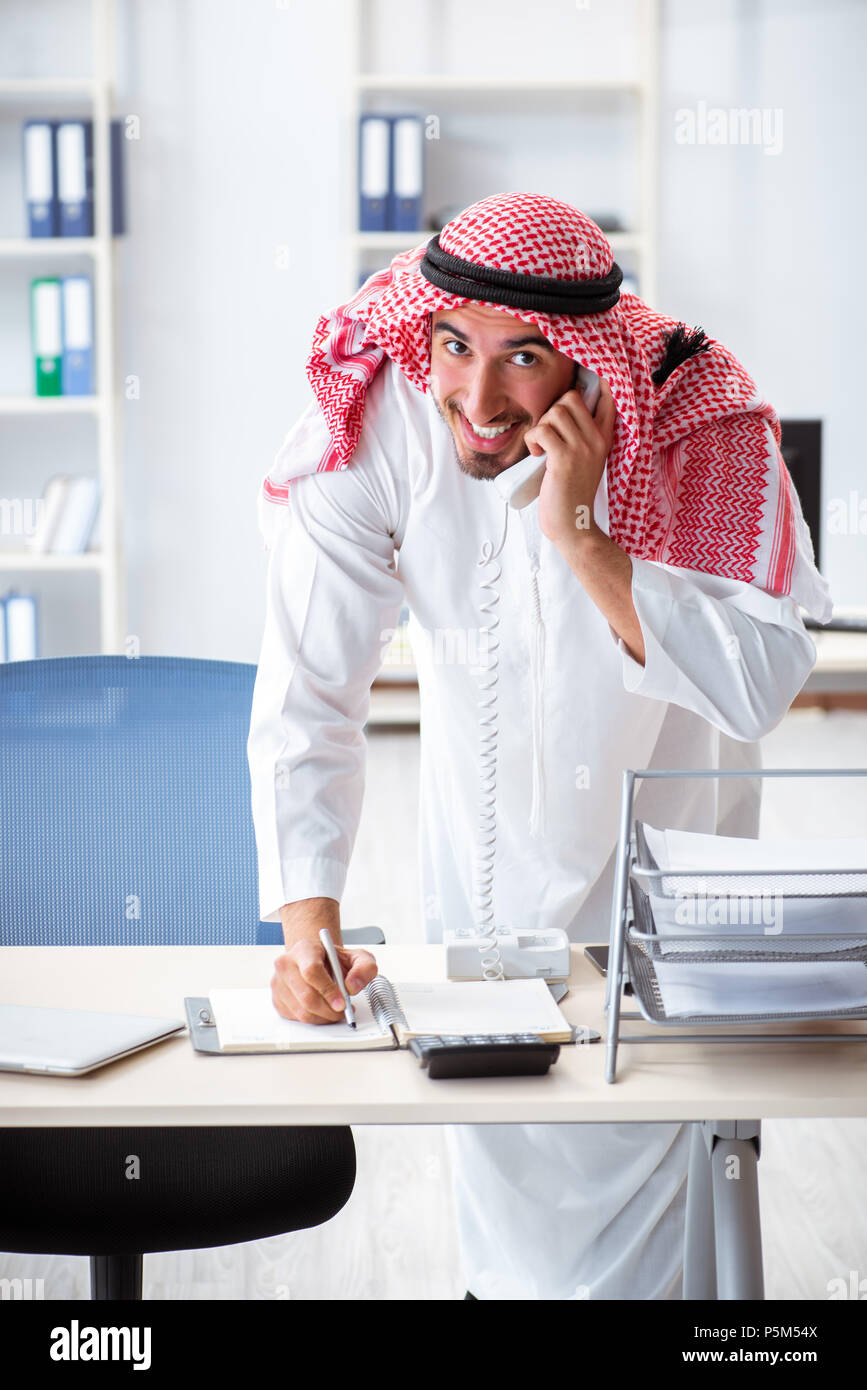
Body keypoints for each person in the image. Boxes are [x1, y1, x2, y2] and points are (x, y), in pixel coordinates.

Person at [246, 193, 831, 1300]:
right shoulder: (391, 409)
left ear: (586, 358)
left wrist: (581, 537)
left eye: (524, 358)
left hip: (664, 931)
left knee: (670, 1253)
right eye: (457, 344)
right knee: (508, 1244)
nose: (477, 393)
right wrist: (308, 919)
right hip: (480, 897)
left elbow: (761, 684)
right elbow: (312, 682)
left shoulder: (692, 424)